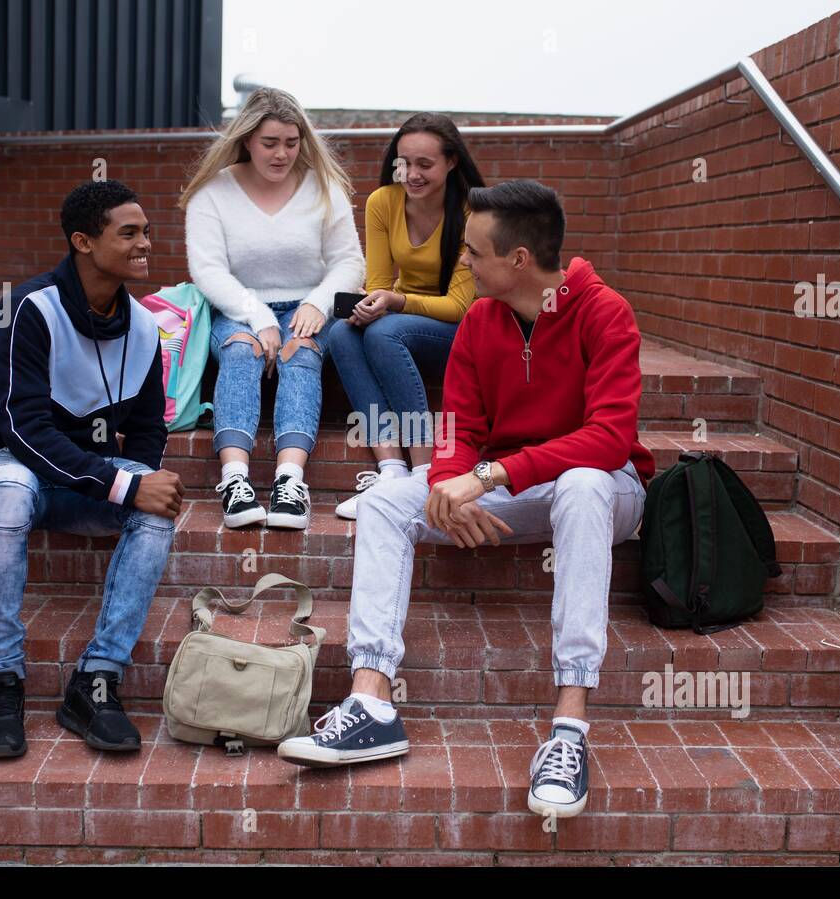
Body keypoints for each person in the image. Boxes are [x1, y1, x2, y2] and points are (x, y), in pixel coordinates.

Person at [278, 180, 657, 819]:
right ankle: (372, 702)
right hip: (515, 488)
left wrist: (489, 478)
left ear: (517, 261)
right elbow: (460, 429)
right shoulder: (482, 320)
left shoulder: (603, 310)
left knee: (584, 483)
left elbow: (608, 437)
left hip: (605, 491)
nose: (463, 264)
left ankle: (569, 729)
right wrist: (449, 486)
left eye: (474, 253)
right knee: (383, 502)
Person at [0, 179, 184, 759]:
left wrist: (138, 479)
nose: (144, 244)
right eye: (128, 233)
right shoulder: (27, 307)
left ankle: (95, 683)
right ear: (83, 241)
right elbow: (22, 426)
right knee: (8, 493)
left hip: (82, 478)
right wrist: (124, 483)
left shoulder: (145, 326)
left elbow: (150, 426)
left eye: (147, 232)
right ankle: (2, 683)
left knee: (156, 516)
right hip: (6, 464)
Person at [181, 87, 365, 530]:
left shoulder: (324, 188)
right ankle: (235, 481)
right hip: (239, 308)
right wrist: (259, 317)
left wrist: (319, 303)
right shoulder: (214, 192)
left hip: (307, 306)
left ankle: (290, 482)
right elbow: (207, 270)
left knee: (299, 353)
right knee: (242, 351)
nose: (282, 154)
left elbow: (349, 262)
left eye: (291, 142)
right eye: (270, 143)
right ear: (246, 140)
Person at [326, 113, 484, 519]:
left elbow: (461, 307)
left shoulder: (471, 211)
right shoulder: (383, 202)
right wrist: (371, 304)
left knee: (385, 333)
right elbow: (379, 281)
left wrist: (394, 303)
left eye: (424, 165)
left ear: (451, 162)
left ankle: (426, 468)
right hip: (402, 323)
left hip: (459, 332)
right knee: (343, 334)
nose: (411, 174)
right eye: (404, 163)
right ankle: (392, 470)